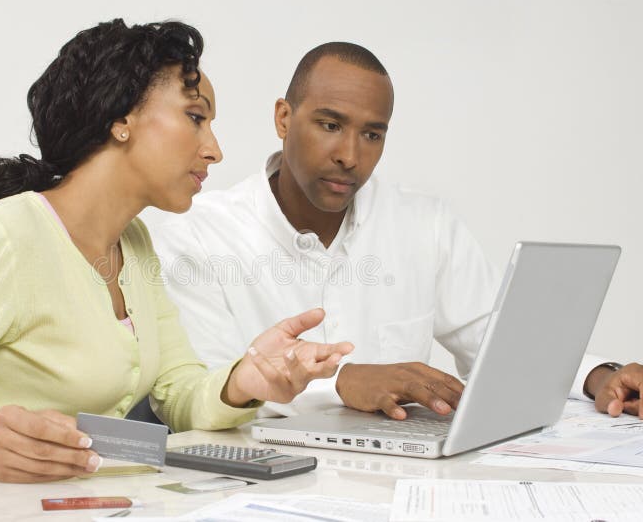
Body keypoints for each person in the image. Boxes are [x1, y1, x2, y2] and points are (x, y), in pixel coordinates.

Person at [0, 20, 354, 498]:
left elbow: (177, 392)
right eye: (196, 117)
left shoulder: (133, 242)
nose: (215, 150)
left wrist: (246, 379)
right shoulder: (5, 239)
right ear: (121, 119)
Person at [149, 42, 643, 420]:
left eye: (372, 134)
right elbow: (202, 396)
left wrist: (602, 377)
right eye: (329, 125)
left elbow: (497, 342)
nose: (350, 154)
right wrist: (342, 384)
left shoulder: (424, 225)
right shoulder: (196, 235)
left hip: (408, 488)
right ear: (284, 117)